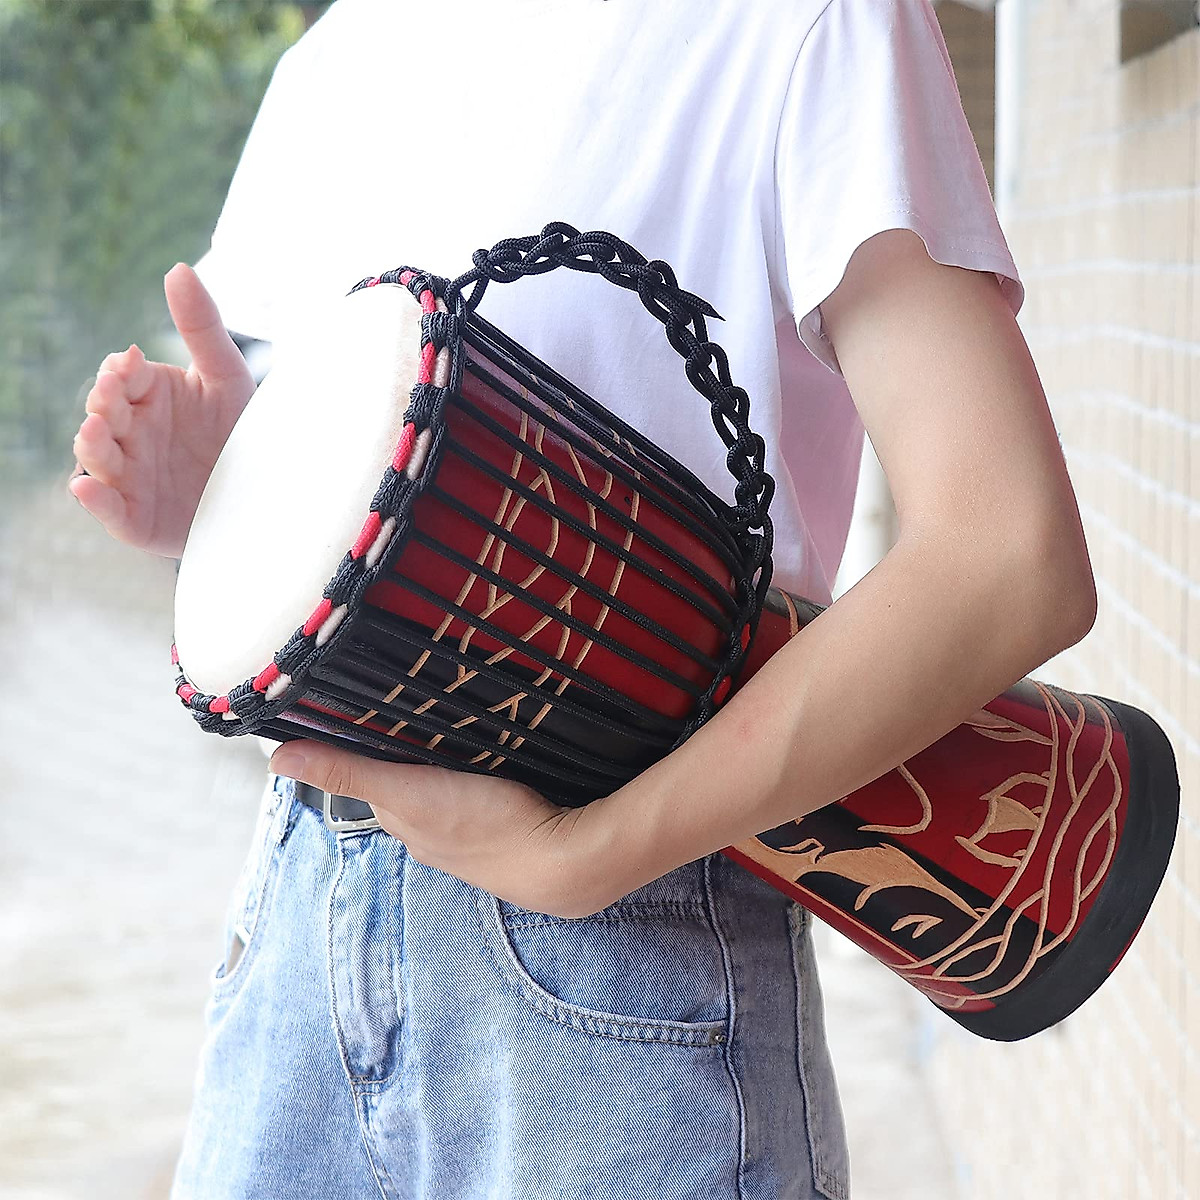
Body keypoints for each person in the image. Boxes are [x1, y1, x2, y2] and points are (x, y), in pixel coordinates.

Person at [67, 1, 1097, 1196]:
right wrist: (222, 501)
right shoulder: (332, 55)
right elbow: (361, 521)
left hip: (625, 947)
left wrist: (590, 855)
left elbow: (1008, 554)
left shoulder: (806, 22)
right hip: (297, 923)